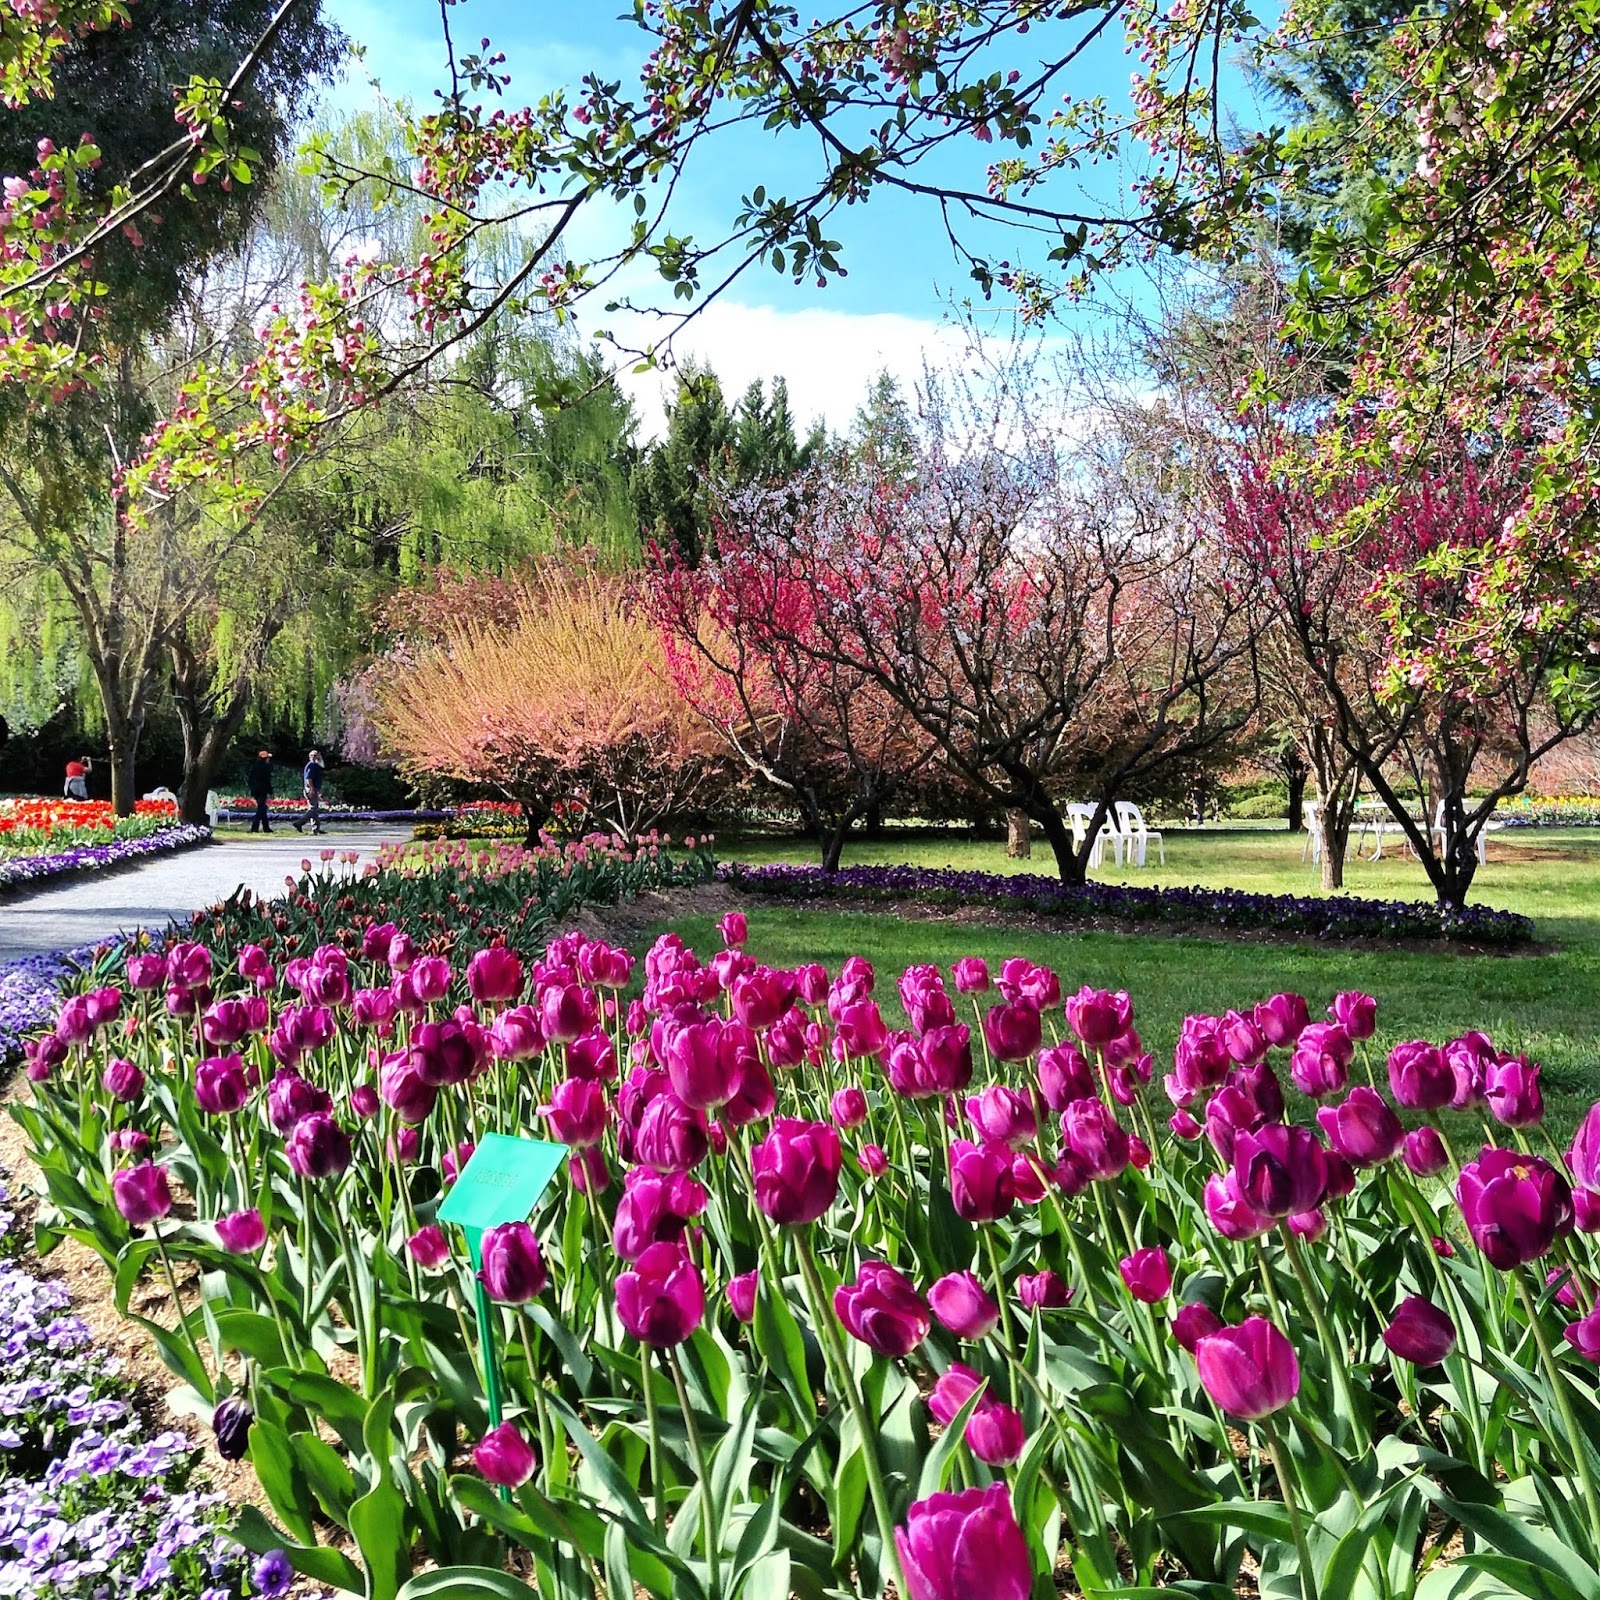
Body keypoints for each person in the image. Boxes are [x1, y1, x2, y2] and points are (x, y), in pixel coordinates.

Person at [294, 749, 325, 835]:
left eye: (317, 755)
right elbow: (309, 778)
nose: (318, 757)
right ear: (311, 757)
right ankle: (299, 823)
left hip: (312, 788)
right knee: (313, 809)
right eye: (315, 755)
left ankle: (316, 828)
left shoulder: (315, 765)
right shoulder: (312, 765)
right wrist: (312, 789)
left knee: (313, 808)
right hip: (310, 789)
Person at [246, 750, 275, 834]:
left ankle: (266, 828)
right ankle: (254, 828)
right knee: (261, 809)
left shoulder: (255, 767)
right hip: (262, 790)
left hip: (255, 790)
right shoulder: (265, 768)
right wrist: (271, 791)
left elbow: (250, 780)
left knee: (263, 808)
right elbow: (267, 781)